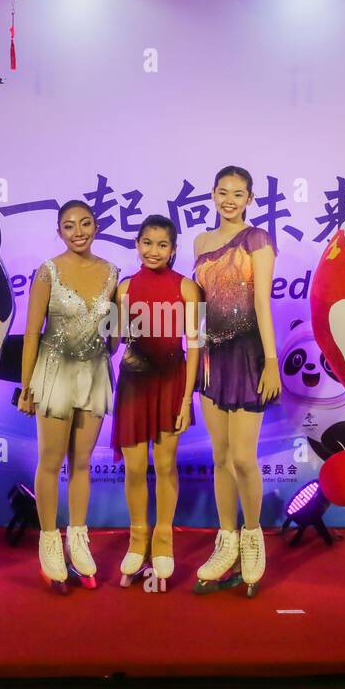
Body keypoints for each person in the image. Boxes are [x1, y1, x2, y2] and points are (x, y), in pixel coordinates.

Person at [18, 200, 119, 592]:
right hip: (54, 371)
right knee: (50, 461)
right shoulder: (48, 272)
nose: (78, 231)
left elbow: (114, 330)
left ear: (96, 226)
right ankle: (48, 541)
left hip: (94, 372)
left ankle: (78, 538)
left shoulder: (112, 272)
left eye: (85, 223)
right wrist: (26, 385)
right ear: (58, 231)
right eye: (69, 225)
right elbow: (31, 333)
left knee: (81, 462)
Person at [191, 166, 280, 597]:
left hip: (247, 355)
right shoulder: (200, 242)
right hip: (211, 358)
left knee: (244, 458)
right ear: (212, 194)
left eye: (238, 193)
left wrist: (271, 360)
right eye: (223, 192)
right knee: (220, 456)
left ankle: (252, 537)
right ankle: (224, 542)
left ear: (249, 199)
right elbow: (199, 310)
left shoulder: (257, 239)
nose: (230, 199)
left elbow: (261, 301)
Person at [112, 215, 201, 592]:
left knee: (164, 466)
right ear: (137, 244)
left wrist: (185, 400)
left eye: (162, 244)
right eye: (147, 242)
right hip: (134, 383)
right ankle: (137, 538)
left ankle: (163, 539)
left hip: (171, 383)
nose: (153, 251)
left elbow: (194, 347)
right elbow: (112, 340)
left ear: (174, 249)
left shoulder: (188, 289)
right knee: (134, 469)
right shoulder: (124, 287)